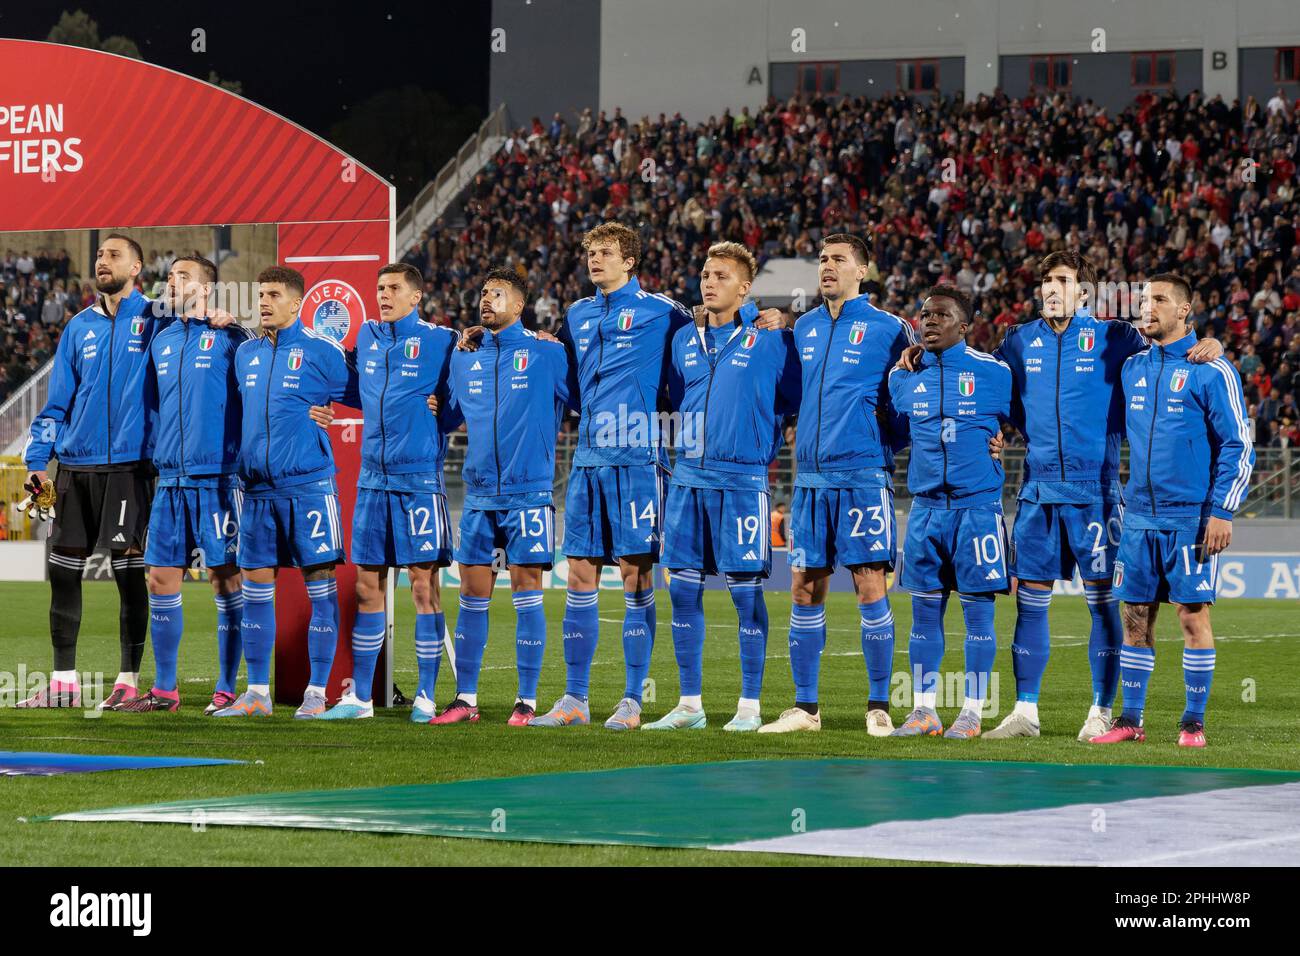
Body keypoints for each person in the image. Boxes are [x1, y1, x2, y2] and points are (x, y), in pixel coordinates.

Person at [531, 221, 694, 731]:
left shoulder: (663, 312)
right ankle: (575, 698)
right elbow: (562, 375)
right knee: (579, 573)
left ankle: (631, 698)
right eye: (590, 253)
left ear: (630, 261)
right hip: (586, 462)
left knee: (635, 575)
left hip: (639, 462)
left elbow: (699, 359)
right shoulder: (576, 314)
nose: (594, 260)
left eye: (605, 253)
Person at [760, 234, 917, 735]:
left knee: (870, 582)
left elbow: (909, 397)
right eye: (823, 259)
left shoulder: (889, 328)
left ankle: (878, 706)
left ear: (862, 271)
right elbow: (790, 393)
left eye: (839, 260)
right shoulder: (803, 327)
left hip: (863, 475)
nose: (827, 267)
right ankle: (806, 709)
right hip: (809, 480)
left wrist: (880, 443)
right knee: (805, 586)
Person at [1092, 274, 1254, 747]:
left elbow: (1238, 445)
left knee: (1191, 617)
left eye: (1159, 300)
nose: (1148, 307)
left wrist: (1223, 511)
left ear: (1184, 311)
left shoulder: (1211, 369)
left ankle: (1192, 723)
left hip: (1192, 519)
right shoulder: (1133, 367)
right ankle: (1130, 721)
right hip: (1139, 517)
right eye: (1143, 299)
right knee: (1135, 618)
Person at [645, 242, 800, 732]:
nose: (709, 282)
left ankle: (750, 706)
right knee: (682, 594)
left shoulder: (772, 337)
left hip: (742, 481)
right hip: (687, 479)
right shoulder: (682, 340)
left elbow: (794, 398)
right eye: (706, 274)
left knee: (745, 596)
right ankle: (690, 704)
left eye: (721, 276)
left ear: (745, 287)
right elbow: (672, 395)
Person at [19, 235, 168, 709]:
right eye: (100, 255)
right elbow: (57, 401)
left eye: (114, 255)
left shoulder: (157, 321)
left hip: (130, 467)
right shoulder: (78, 327)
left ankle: (127, 681)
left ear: (138, 266)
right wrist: (39, 464)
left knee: (129, 575)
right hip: (73, 467)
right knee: (63, 575)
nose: (103, 262)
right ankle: (62, 684)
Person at [214, 266, 360, 719]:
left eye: (273, 295)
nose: (263, 302)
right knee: (255, 588)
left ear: (296, 303)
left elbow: (375, 393)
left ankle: (317, 692)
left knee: (320, 587)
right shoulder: (246, 354)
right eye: (260, 295)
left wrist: (332, 413)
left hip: (309, 487)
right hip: (256, 491)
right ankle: (257, 693)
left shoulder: (321, 351)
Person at [432, 269, 575, 725]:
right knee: (472, 595)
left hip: (528, 493)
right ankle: (466, 700)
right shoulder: (464, 356)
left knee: (526, 592)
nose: (486, 299)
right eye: (483, 293)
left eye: (498, 294)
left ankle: (526, 701)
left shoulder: (545, 353)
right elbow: (445, 411)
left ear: (519, 306)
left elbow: (582, 400)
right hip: (477, 496)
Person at [317, 263, 459, 722]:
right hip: (372, 482)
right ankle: (360, 698)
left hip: (419, 481)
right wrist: (322, 406)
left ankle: (425, 695)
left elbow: (464, 395)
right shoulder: (369, 339)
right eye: (379, 288)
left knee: (423, 586)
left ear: (416, 296)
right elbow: (359, 391)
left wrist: (446, 411)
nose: (383, 295)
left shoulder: (442, 340)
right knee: (367, 587)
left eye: (394, 288)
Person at [119, 254, 253, 714]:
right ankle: (166, 690)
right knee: (159, 577)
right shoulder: (162, 340)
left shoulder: (233, 338)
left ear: (206, 288)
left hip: (219, 477)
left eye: (183, 277)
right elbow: (151, 408)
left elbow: (262, 389)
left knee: (225, 577)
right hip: (171, 479)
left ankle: (225, 685)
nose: (172, 282)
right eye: (170, 276)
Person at [887, 286, 1013, 739]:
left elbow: (1031, 422)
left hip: (976, 510)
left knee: (978, 615)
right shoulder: (902, 378)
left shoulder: (996, 373)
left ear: (964, 327)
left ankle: (973, 712)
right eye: (924, 314)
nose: (929, 322)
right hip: (924, 511)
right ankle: (923, 711)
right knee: (923, 616)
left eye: (940, 315)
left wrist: (1008, 444)